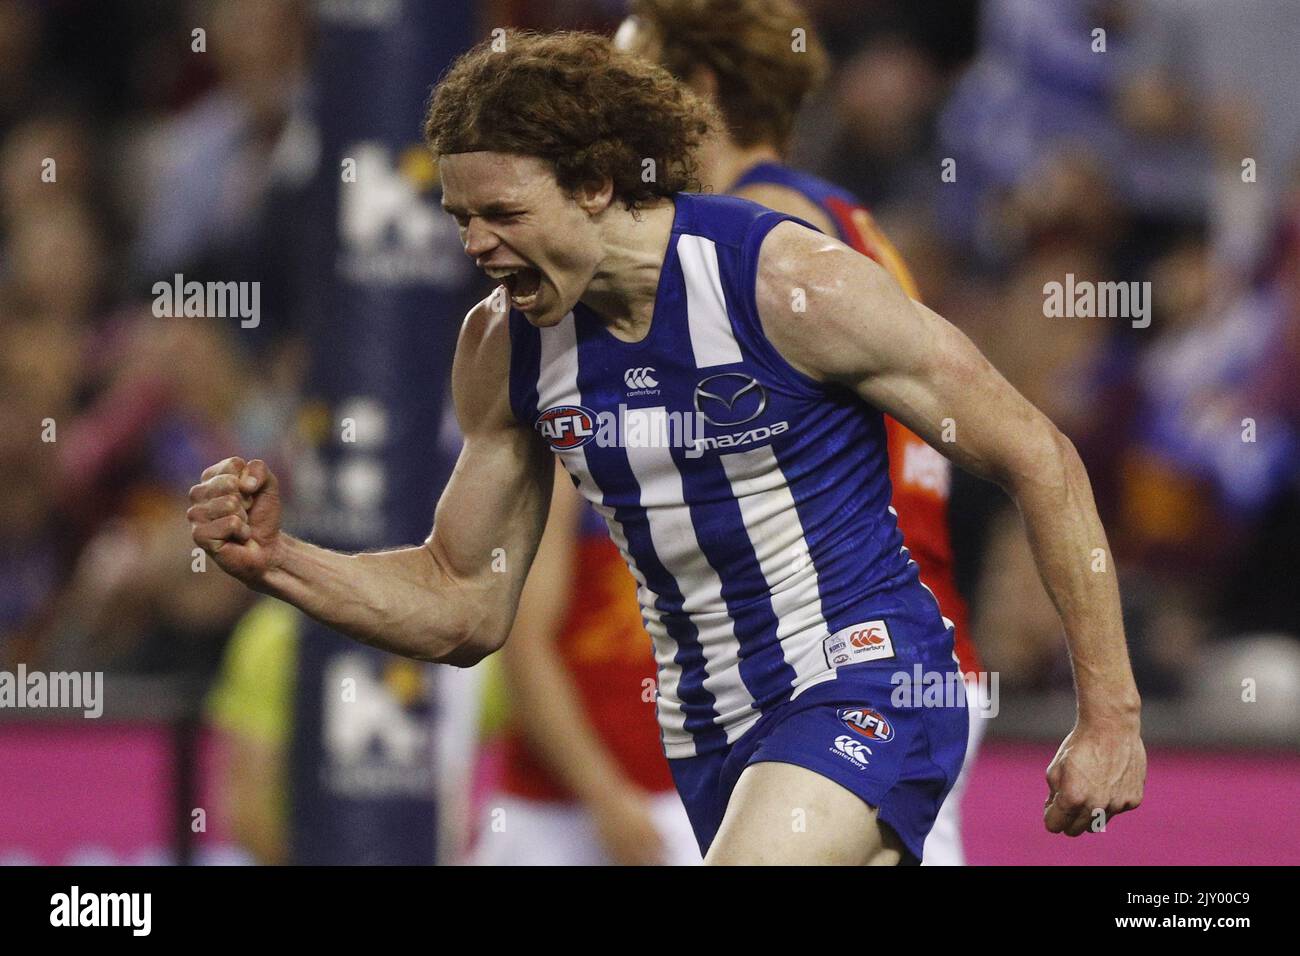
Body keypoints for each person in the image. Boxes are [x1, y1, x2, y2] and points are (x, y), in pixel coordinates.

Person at [188, 31, 1145, 865]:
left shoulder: (785, 282)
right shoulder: (504, 345)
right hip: (708, 733)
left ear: (599, 185)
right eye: (459, 218)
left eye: (505, 215)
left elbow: (1039, 456)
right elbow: (463, 602)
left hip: (865, 678)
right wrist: (279, 559)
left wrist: (1111, 717)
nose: (476, 245)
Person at [616, 0, 983, 866]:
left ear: (697, 88)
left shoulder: (764, 237)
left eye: (631, 80)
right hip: (899, 639)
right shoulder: (838, 217)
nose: (610, 112)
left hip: (857, 650)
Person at [472, 461, 700, 866]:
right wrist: (605, 798)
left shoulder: (705, 462)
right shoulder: (561, 478)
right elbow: (524, 651)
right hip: (554, 812)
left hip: (686, 793)